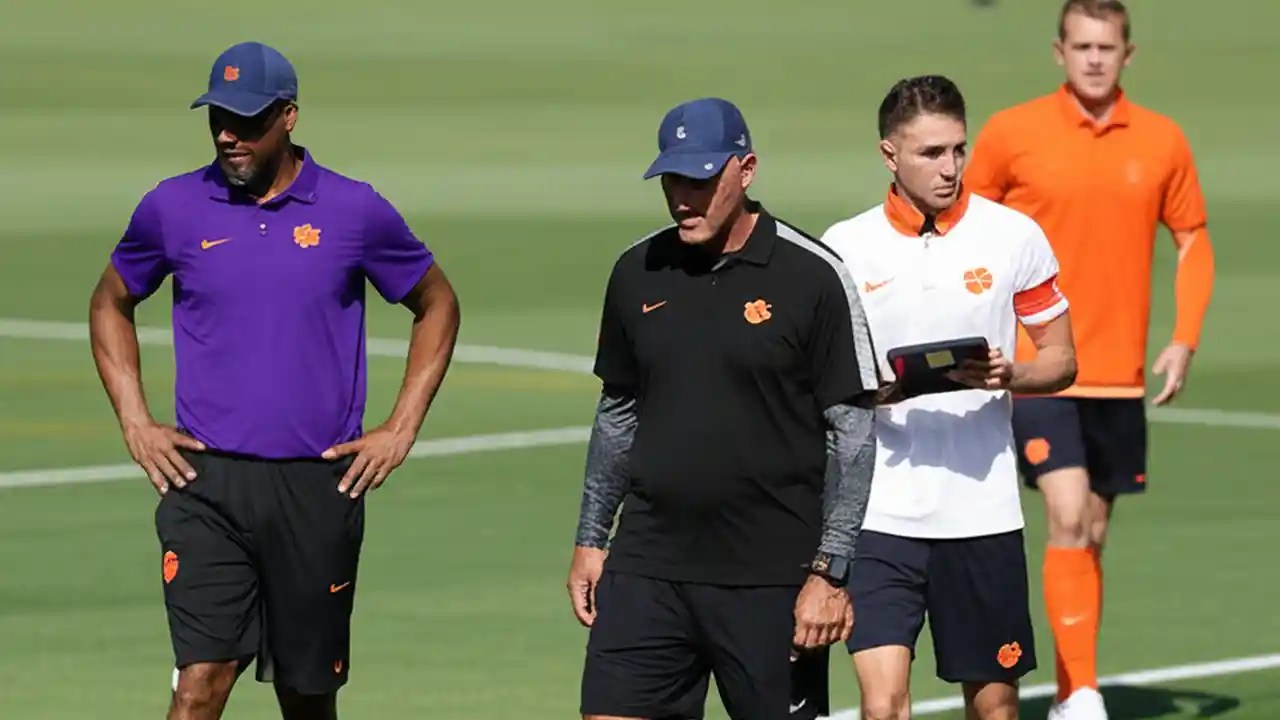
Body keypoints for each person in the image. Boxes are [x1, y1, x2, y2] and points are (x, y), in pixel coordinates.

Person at [87, 41, 460, 720]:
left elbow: (436, 302)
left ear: (289, 117)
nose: (228, 134)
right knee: (201, 681)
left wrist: (400, 428)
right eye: (217, 118)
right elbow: (110, 299)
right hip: (206, 485)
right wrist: (135, 422)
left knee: (307, 695)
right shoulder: (172, 207)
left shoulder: (355, 211)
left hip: (318, 485)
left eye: (247, 120)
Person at [565, 96, 881, 720]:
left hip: (772, 576)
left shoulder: (812, 276)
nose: (684, 196)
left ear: (747, 169)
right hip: (650, 563)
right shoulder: (637, 271)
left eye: (702, 179)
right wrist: (591, 537)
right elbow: (618, 414)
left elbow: (853, 431)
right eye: (673, 180)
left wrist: (831, 571)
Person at [964, 2, 1214, 716]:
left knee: (1092, 532)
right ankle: (1082, 695)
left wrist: (1184, 336)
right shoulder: (1015, 133)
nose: (1094, 58)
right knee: (1068, 514)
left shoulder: (1163, 141)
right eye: (1082, 46)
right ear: (1059, 51)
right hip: (1037, 364)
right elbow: (965, 231)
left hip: (1118, 375)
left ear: (1127, 55)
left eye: (1107, 46)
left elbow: (1192, 238)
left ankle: (1078, 677)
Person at [820, 75, 1078, 720]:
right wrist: (875, 392)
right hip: (881, 515)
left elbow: (1062, 359)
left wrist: (1006, 375)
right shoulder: (845, 247)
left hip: (982, 513)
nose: (950, 167)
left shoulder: (1013, 236)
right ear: (889, 155)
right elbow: (819, 380)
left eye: (957, 149)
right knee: (883, 707)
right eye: (931, 153)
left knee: (994, 708)